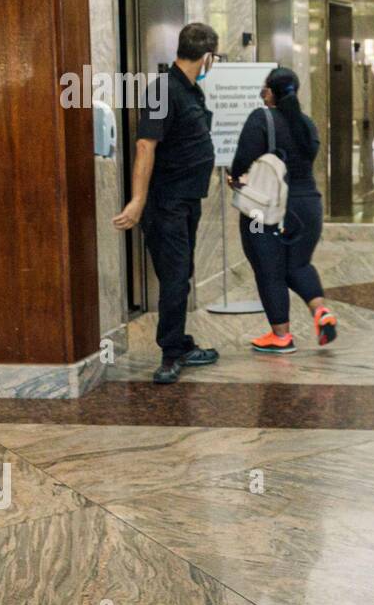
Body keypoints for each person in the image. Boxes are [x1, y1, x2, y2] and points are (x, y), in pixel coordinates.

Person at [113, 23, 222, 385]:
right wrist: (138, 201)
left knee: (181, 276)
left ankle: (180, 342)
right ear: (207, 56)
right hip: (166, 204)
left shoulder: (191, 91)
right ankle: (170, 354)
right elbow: (146, 145)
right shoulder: (162, 89)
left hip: (187, 200)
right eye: (214, 58)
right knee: (175, 279)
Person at [228, 67, 338, 354]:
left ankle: (281, 336)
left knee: (269, 270)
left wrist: (235, 176)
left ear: (270, 92)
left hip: (268, 207)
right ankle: (320, 311)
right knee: (298, 264)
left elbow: (242, 159)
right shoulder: (307, 124)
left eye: (264, 88)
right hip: (308, 205)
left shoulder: (261, 118)